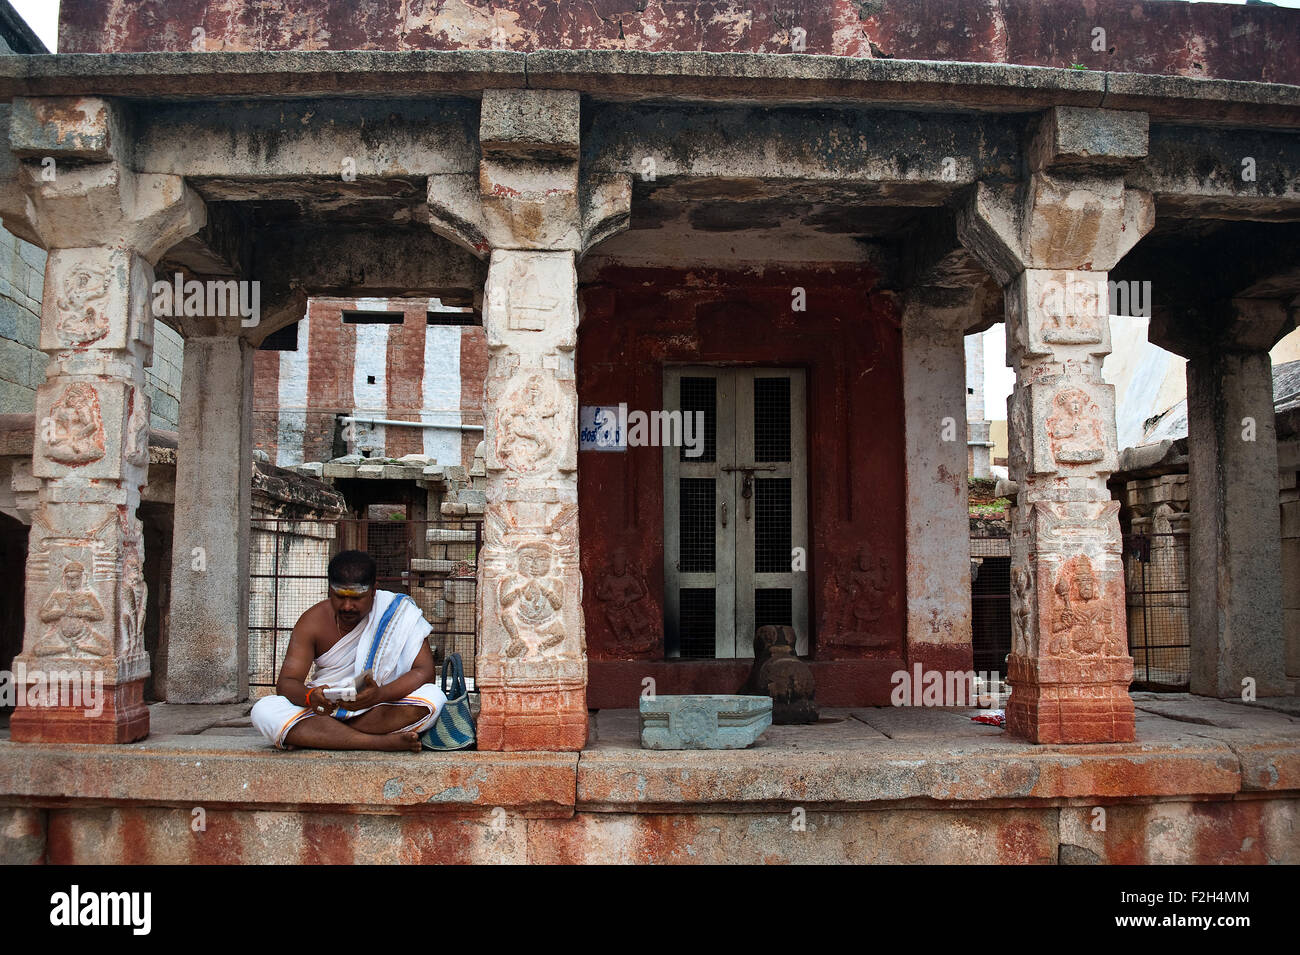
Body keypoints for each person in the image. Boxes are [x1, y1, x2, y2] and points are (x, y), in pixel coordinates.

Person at [251, 550, 446, 751]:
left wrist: (379, 695)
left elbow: (424, 672)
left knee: (433, 700)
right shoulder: (312, 621)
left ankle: (323, 735)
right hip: (324, 708)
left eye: (356, 598)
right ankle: (377, 743)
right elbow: (287, 682)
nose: (347, 606)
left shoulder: (398, 613)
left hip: (378, 705)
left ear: (373, 591)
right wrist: (311, 697)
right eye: (339, 597)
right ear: (329, 591)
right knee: (263, 711)